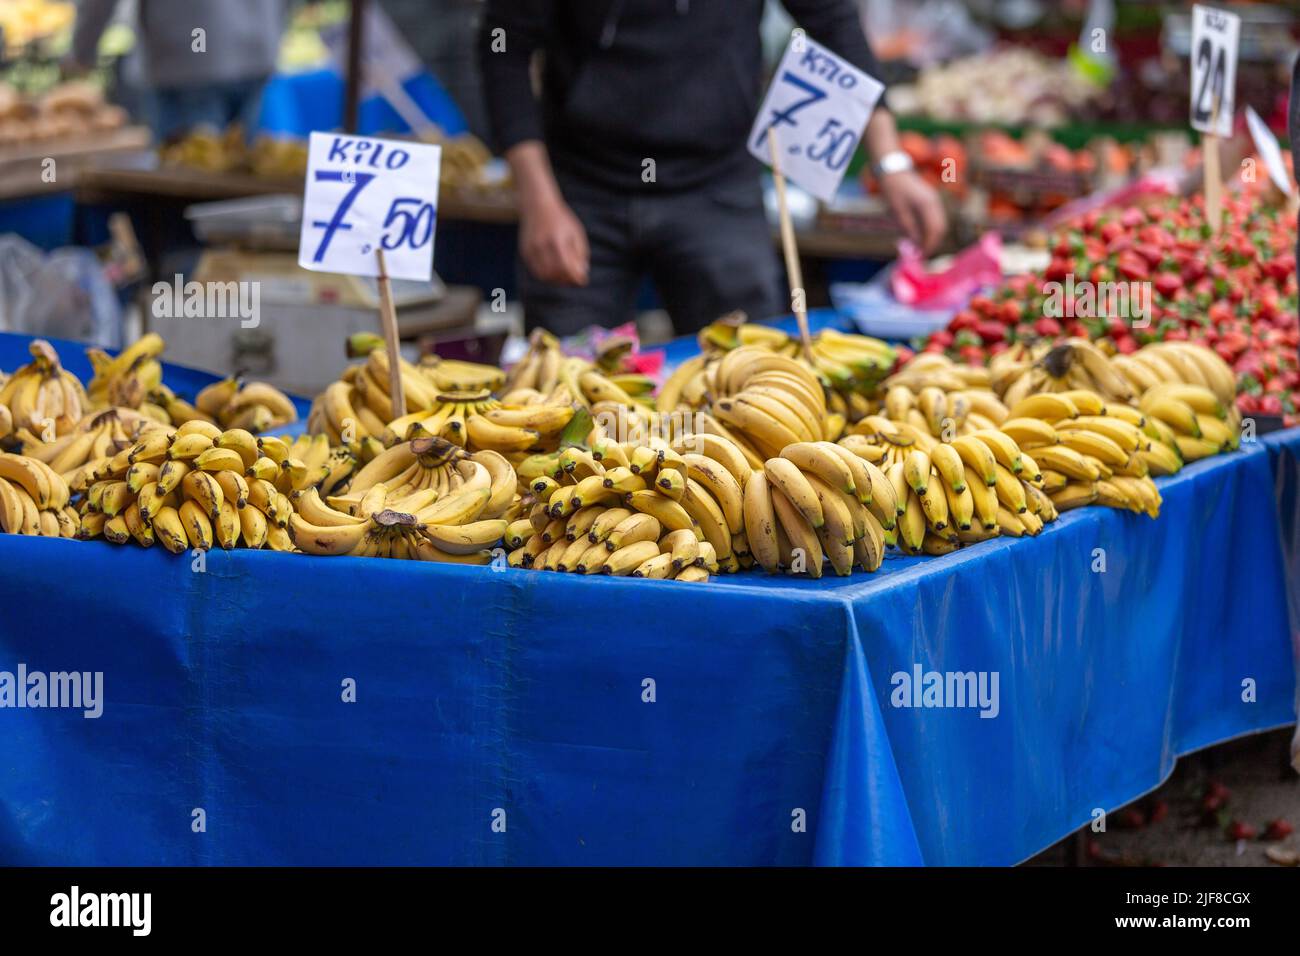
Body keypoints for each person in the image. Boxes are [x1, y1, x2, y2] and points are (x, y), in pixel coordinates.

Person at [479, 0, 947, 336]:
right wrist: (538, 200)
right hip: (578, 191)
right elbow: (503, 46)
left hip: (717, 187)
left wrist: (892, 163)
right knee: (564, 389)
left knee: (751, 378)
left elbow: (834, 21)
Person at [66, 0, 290, 142]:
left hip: (185, 68)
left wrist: (82, 51)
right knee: (241, 185)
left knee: (186, 186)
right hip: (256, 53)